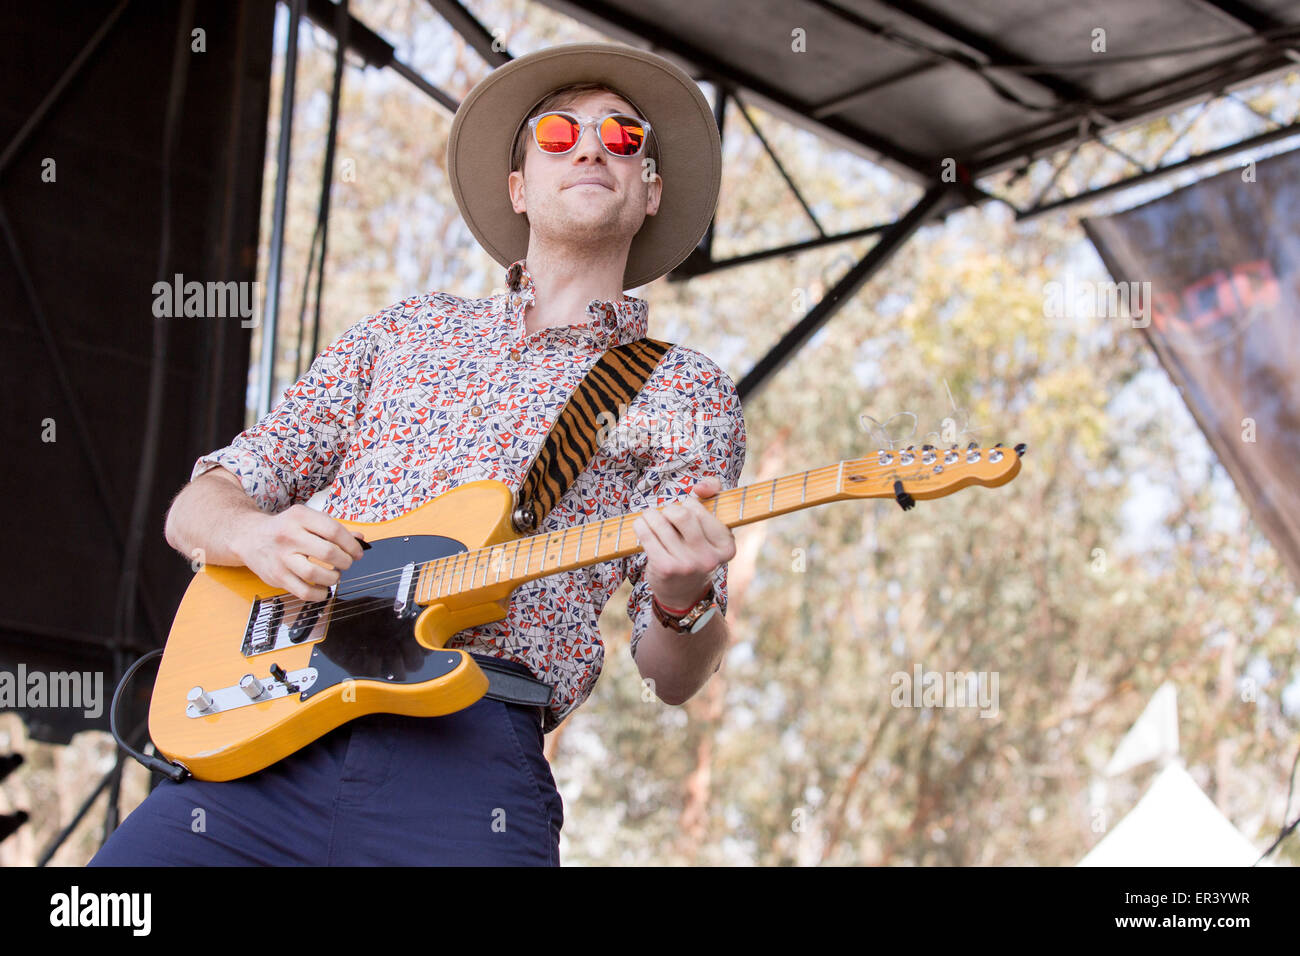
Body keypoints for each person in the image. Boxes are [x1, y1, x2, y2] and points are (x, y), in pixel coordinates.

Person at [88, 41, 746, 866]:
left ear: (649, 190)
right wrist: (255, 536)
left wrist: (682, 595)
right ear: (518, 188)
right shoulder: (407, 331)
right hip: (263, 737)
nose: (589, 146)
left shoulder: (686, 391)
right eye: (556, 133)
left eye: (622, 138)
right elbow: (203, 504)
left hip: (467, 762)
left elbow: (674, 675)